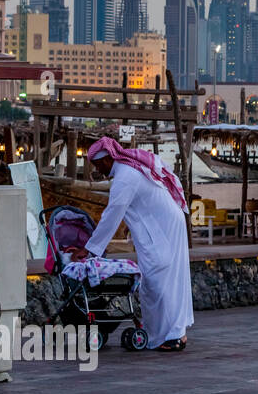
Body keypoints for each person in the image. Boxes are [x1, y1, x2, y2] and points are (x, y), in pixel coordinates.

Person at [68, 136, 193, 352]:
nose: (98, 170)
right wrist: (131, 224)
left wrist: (89, 250)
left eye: (98, 165)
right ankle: (174, 334)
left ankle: (172, 336)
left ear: (107, 159)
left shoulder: (125, 178)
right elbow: (138, 205)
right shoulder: (127, 172)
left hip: (162, 228)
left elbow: (111, 215)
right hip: (165, 224)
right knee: (165, 279)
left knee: (158, 279)